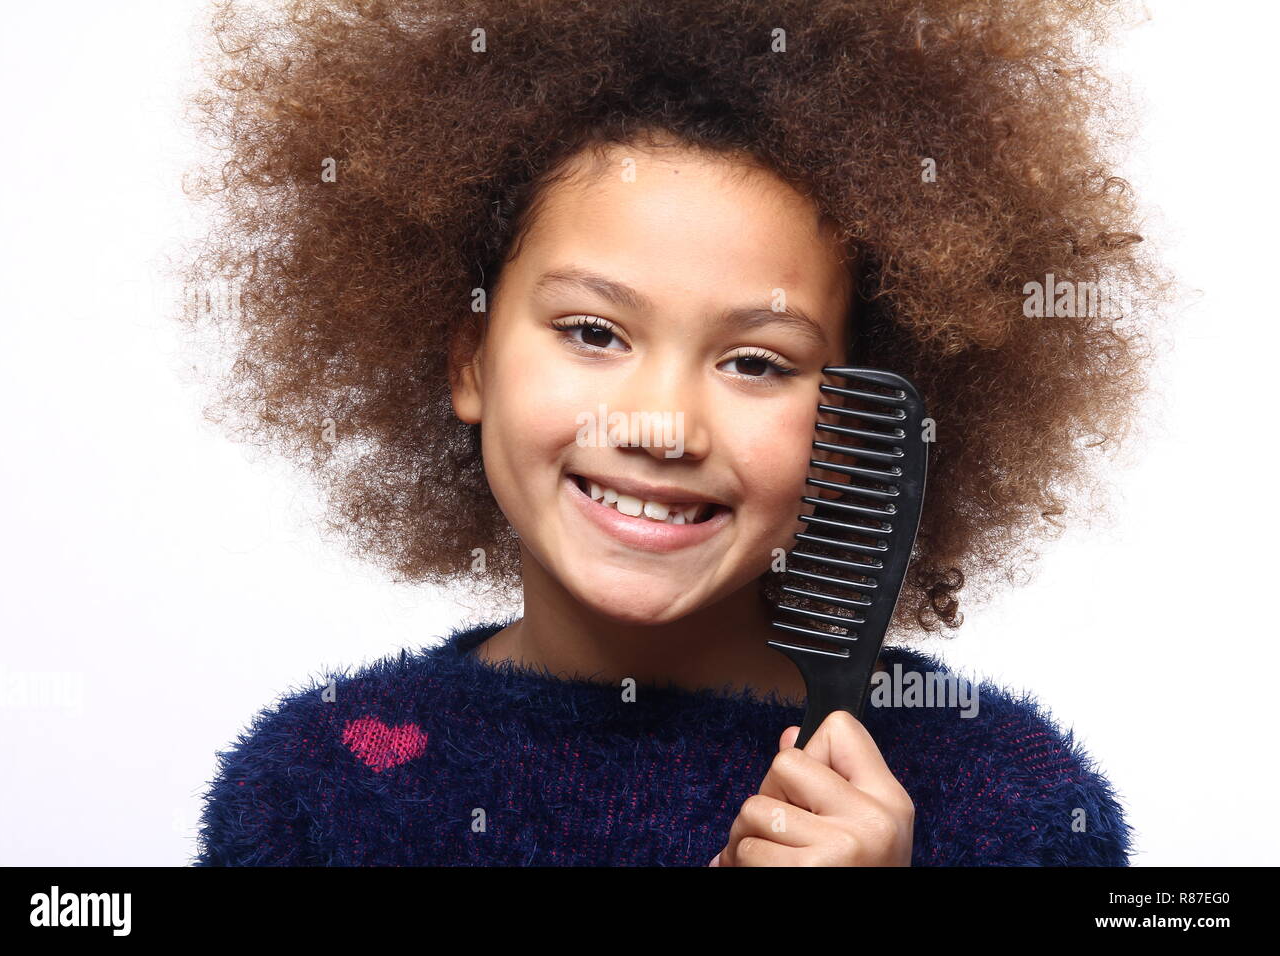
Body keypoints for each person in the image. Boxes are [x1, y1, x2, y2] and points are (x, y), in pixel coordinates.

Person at [184, 0, 1170, 866]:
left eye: (757, 363)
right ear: (470, 361)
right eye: (593, 332)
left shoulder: (1011, 805)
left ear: (854, 431)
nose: (660, 426)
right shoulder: (325, 786)